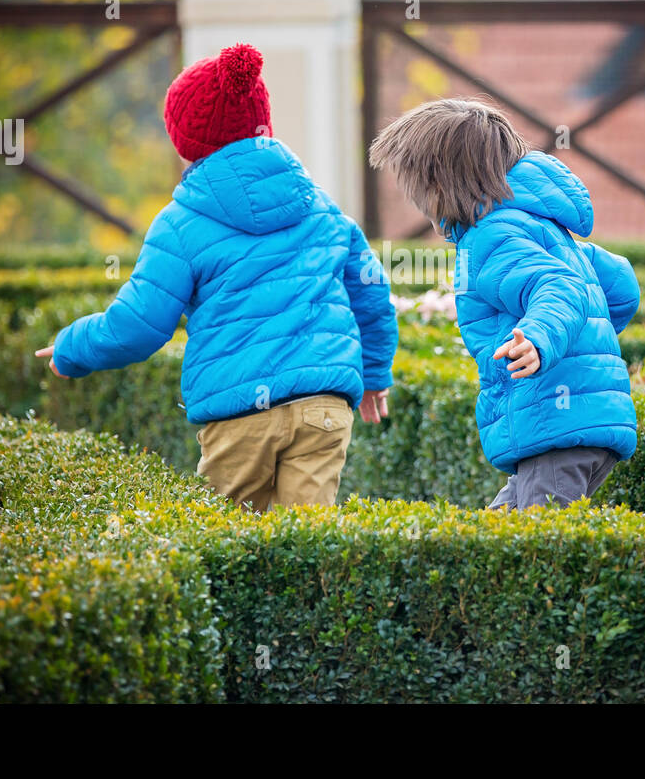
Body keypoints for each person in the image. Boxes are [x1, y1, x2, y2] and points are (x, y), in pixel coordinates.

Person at [37, 44, 397, 512]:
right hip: (323, 407)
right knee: (306, 546)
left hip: (239, 415)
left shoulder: (180, 223)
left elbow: (139, 325)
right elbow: (372, 293)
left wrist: (74, 347)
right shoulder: (321, 206)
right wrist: (373, 373)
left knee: (227, 549)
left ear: (185, 139)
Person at [368, 97, 639, 509]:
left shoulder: (491, 236)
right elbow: (619, 287)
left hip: (556, 425)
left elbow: (560, 286)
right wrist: (584, 346)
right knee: (499, 531)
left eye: (420, 191)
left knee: (535, 554)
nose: (421, 205)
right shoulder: (538, 224)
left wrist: (539, 337)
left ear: (443, 183)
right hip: (570, 422)